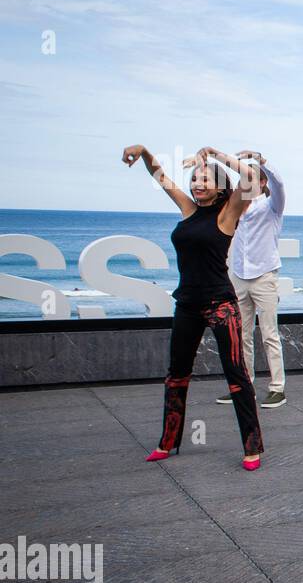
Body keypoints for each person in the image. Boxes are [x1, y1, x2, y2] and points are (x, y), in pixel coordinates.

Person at [121, 144, 265, 470]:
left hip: (221, 305)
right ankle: (167, 441)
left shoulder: (229, 212)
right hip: (186, 304)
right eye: (195, 178)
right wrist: (143, 152)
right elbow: (160, 176)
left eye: (205, 179)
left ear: (219, 186)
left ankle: (252, 447)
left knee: (237, 376)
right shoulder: (187, 209)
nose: (197, 183)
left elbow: (250, 177)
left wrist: (215, 156)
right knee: (176, 376)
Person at [219, 150, 287, 409]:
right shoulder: (235, 209)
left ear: (261, 183)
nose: (244, 183)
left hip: (264, 276)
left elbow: (279, 183)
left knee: (269, 333)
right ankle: (244, 386)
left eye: (251, 179)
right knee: (242, 335)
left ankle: (277, 388)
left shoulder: (272, 207)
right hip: (238, 277)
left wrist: (262, 161)